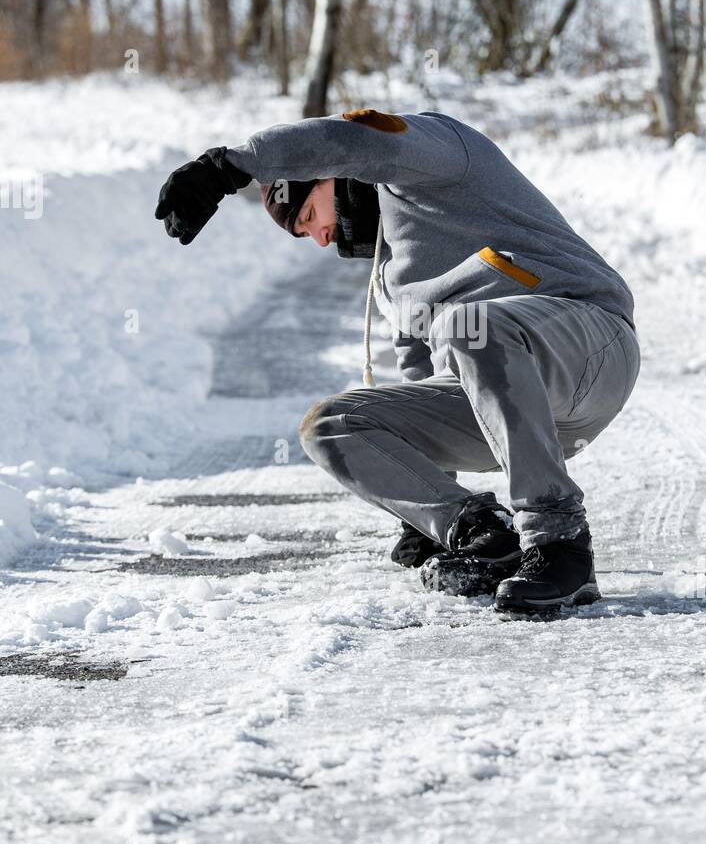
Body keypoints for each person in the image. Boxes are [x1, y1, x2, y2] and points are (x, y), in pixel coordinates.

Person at [155, 107, 640, 616]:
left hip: (590, 346)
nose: (320, 237)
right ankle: (482, 534)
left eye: (309, 216)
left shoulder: (436, 154)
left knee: (468, 325)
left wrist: (230, 166)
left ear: (331, 176)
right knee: (331, 424)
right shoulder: (392, 281)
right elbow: (421, 382)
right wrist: (425, 511)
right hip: (507, 409)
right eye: (304, 235)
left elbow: (354, 139)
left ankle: (560, 543)